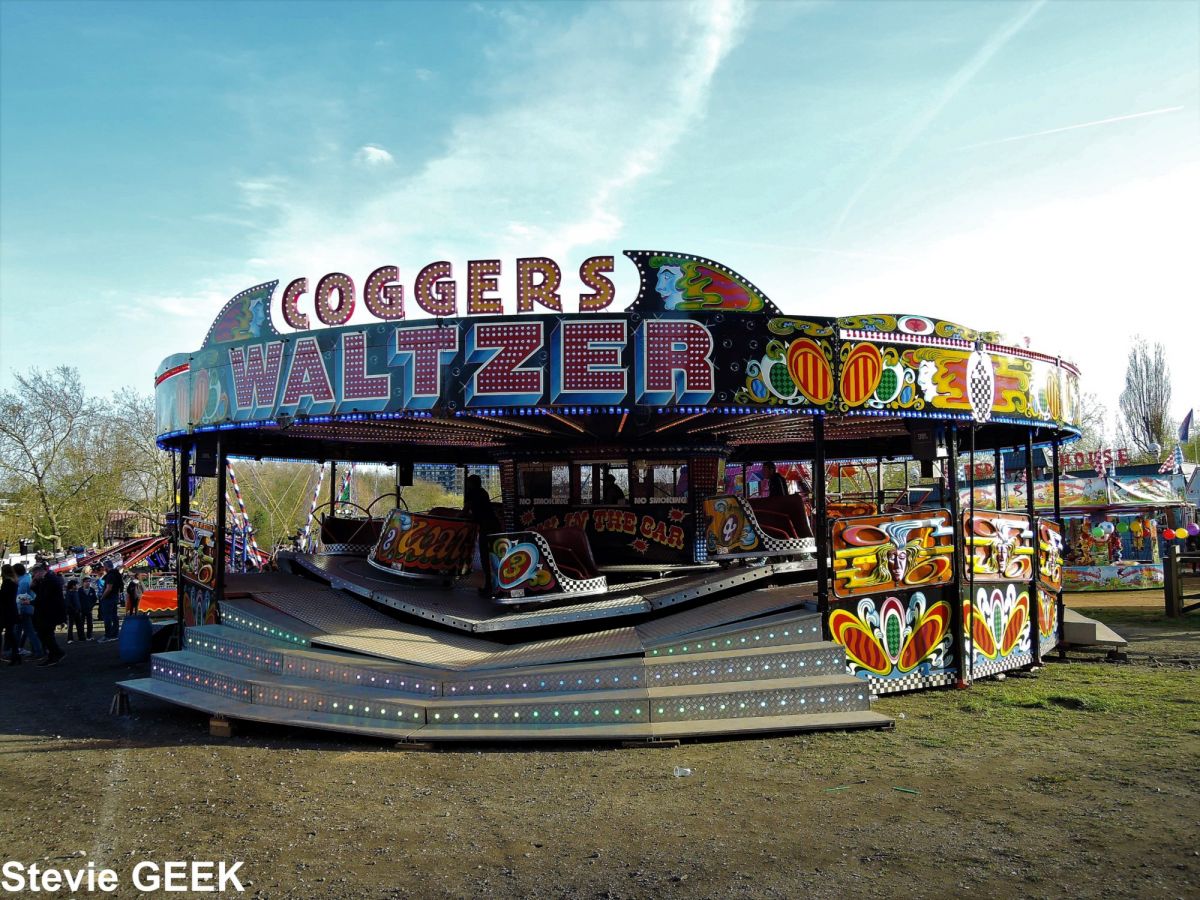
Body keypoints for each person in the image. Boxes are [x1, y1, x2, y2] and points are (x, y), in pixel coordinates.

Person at [463, 473, 502, 596]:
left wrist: (459, 516)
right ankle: (501, 585)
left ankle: (489, 586)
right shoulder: (483, 492)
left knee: (485, 556)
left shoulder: (471, 493)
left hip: (486, 527)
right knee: (497, 554)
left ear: (471, 484)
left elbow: (465, 511)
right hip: (495, 525)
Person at [31, 563, 66, 666]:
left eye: (34, 574)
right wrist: (34, 586)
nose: (34, 577)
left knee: (45, 634)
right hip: (50, 612)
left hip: (49, 612)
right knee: (46, 634)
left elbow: (43, 598)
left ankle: (56, 653)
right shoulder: (49, 579)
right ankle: (54, 654)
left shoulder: (49, 580)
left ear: (38, 572)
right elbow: (42, 594)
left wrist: (31, 602)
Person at [13, 563, 41, 658]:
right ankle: (17, 649)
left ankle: (38, 651)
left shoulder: (23, 582)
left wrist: (19, 611)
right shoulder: (27, 578)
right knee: (20, 630)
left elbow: (20, 598)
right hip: (28, 608)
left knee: (29, 631)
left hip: (24, 609)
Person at [98, 560, 123, 641]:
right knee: (114, 616)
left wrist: (102, 597)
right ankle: (115, 634)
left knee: (107, 617)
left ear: (106, 567)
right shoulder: (117, 574)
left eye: (104, 566)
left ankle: (108, 635)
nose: (103, 568)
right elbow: (119, 587)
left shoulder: (110, 575)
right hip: (114, 597)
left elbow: (109, 588)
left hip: (108, 598)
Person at [1, 564, 19, 665]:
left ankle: (15, 656)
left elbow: (3, 597)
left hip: (6, 611)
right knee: (10, 634)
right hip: (11, 610)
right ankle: (15, 655)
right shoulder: (14, 581)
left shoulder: (7, 582)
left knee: (10, 634)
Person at [64, 577, 86, 643]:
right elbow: (68, 603)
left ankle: (81, 638)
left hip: (77, 611)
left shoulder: (76, 592)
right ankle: (70, 639)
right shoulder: (69, 593)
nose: (78, 586)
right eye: (76, 585)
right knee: (70, 626)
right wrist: (74, 609)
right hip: (71, 612)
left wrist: (79, 609)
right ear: (73, 586)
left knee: (79, 625)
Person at [79, 575, 98, 640]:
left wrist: (91, 606)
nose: (88, 583)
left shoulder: (92, 590)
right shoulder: (80, 590)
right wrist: (80, 607)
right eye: (86, 581)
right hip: (81, 610)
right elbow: (78, 600)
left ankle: (89, 636)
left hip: (89, 609)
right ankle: (82, 637)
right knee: (81, 624)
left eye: (89, 581)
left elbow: (94, 599)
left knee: (90, 624)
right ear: (83, 582)